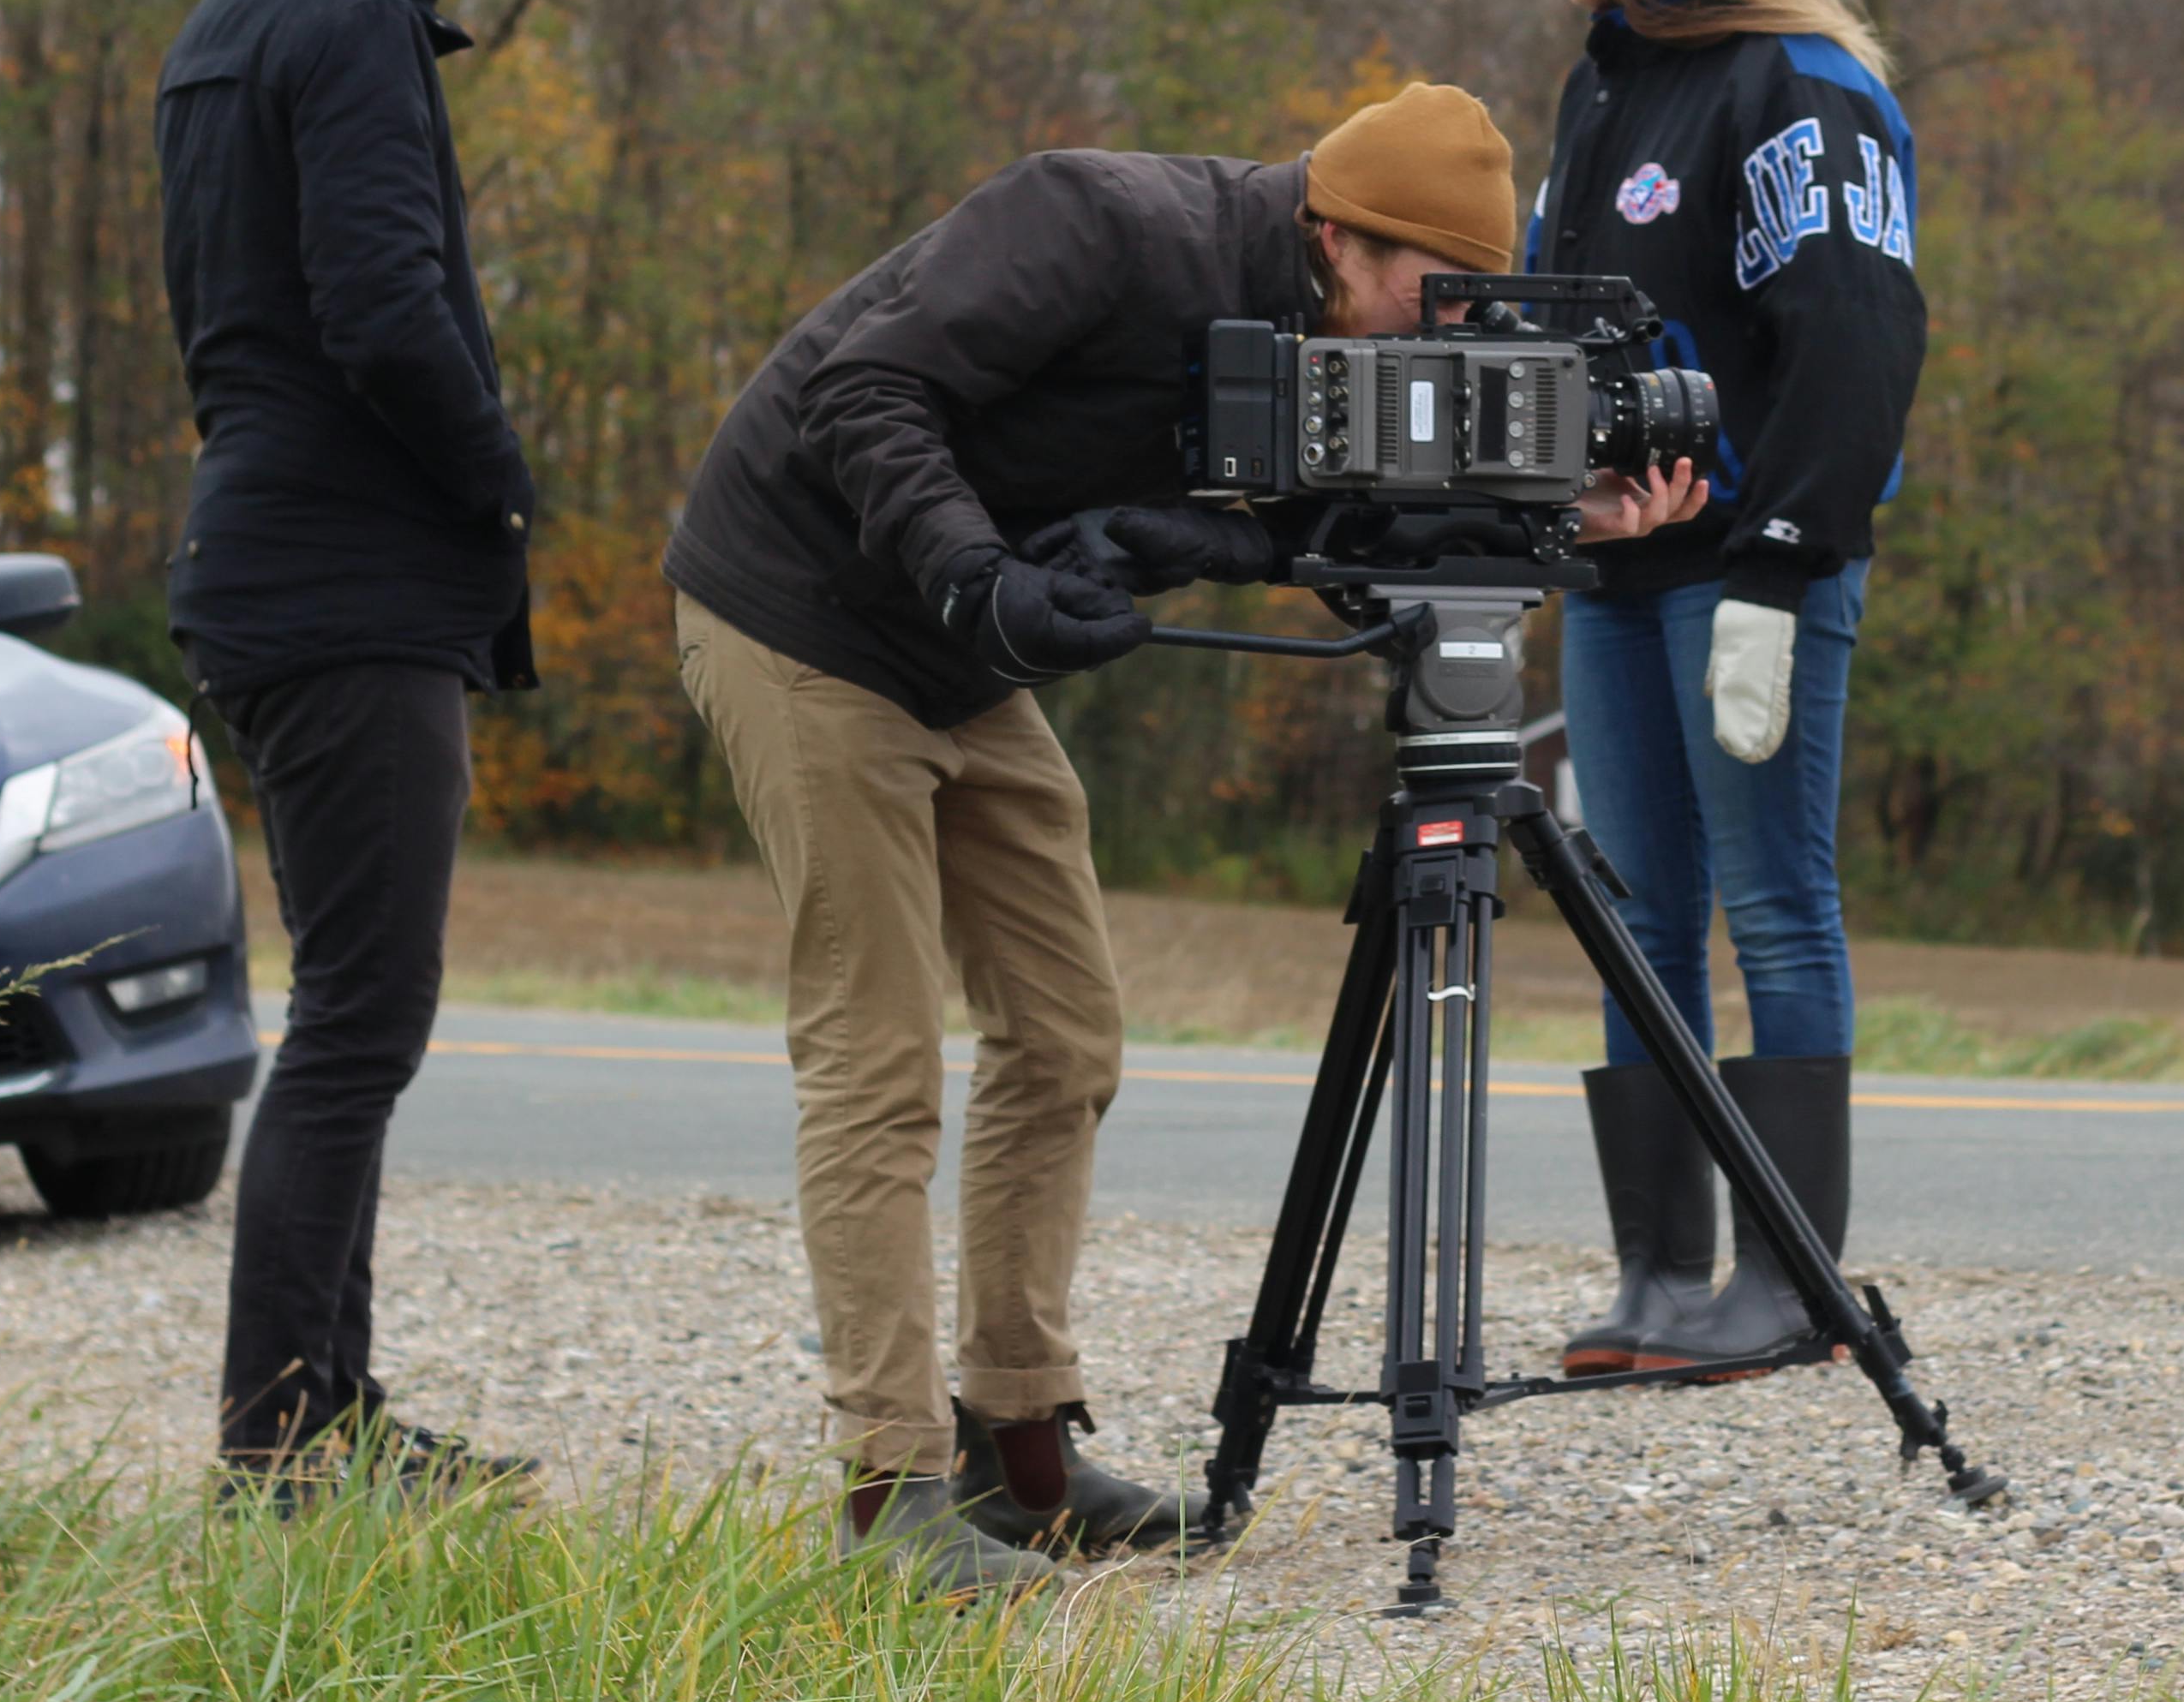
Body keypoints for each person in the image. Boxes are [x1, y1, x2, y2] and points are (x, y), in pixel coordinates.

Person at [662, 86, 1702, 1597]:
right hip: (804, 613)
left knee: (1066, 1036)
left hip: (965, 655)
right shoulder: (1096, 223)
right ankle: (887, 1500)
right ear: (1335, 234)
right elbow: (861, 395)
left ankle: (1019, 1445)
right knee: (879, 1059)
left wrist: (1568, 521)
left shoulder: (1339, 341)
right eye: (1428, 295)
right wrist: (978, 581)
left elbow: (1331, 537)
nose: (1439, 333)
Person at [156, 0, 538, 1508]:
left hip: (261, 563)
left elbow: (225, 333)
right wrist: (495, 474)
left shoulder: (221, 33)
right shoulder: (355, 27)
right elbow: (386, 306)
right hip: (345, 581)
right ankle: (276, 1456)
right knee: (362, 1027)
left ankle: (334, 1413)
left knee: (344, 1017)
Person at [1526, 0, 1925, 1380]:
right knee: (1636, 915)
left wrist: (1775, 555)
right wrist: (1561, 493)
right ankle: (1656, 1271)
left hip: (1751, 568)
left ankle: (1790, 1280)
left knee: (1773, 907)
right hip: (1616, 571)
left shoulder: (1798, 89)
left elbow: (1857, 332)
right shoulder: (1601, 91)